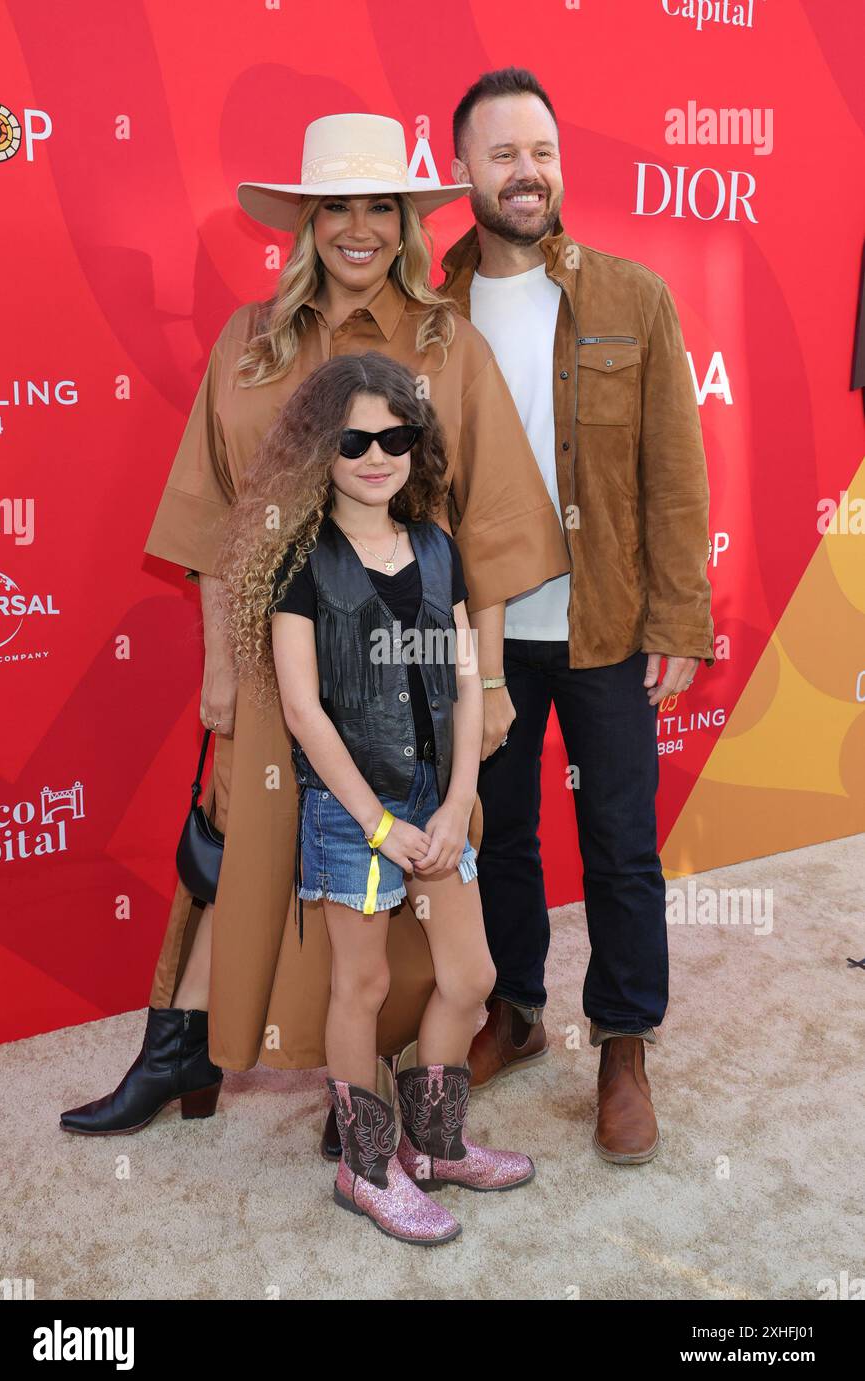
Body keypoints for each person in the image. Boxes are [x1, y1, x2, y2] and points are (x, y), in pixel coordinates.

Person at [59, 112, 570, 1142]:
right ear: (306, 221)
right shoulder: (249, 343)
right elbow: (209, 516)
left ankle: (371, 1088)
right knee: (243, 855)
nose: (359, 227)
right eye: (337, 205)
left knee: (406, 872)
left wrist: (497, 676)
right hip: (271, 656)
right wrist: (216, 667)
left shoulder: (444, 345)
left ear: (404, 222)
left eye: (379, 205)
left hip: (405, 659)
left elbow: (491, 520)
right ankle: (184, 1054)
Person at [437, 69, 715, 1162]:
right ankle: (513, 1010)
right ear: (462, 168)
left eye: (541, 151)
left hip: (602, 625)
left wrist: (681, 619)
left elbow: (675, 477)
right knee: (497, 838)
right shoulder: (430, 309)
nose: (527, 172)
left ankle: (624, 1043)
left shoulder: (631, 298)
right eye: (503, 154)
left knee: (618, 845)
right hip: (482, 638)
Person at [242, 349, 534, 1243]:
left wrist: (454, 806)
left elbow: (463, 683)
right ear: (318, 450)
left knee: (473, 976)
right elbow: (301, 707)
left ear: (419, 445)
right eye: (354, 439)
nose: (377, 454)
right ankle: (366, 1169)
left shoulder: (438, 548)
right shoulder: (301, 560)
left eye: (395, 436)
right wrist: (376, 823)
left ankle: (436, 1145)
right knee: (361, 985)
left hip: (434, 798)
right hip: (347, 811)